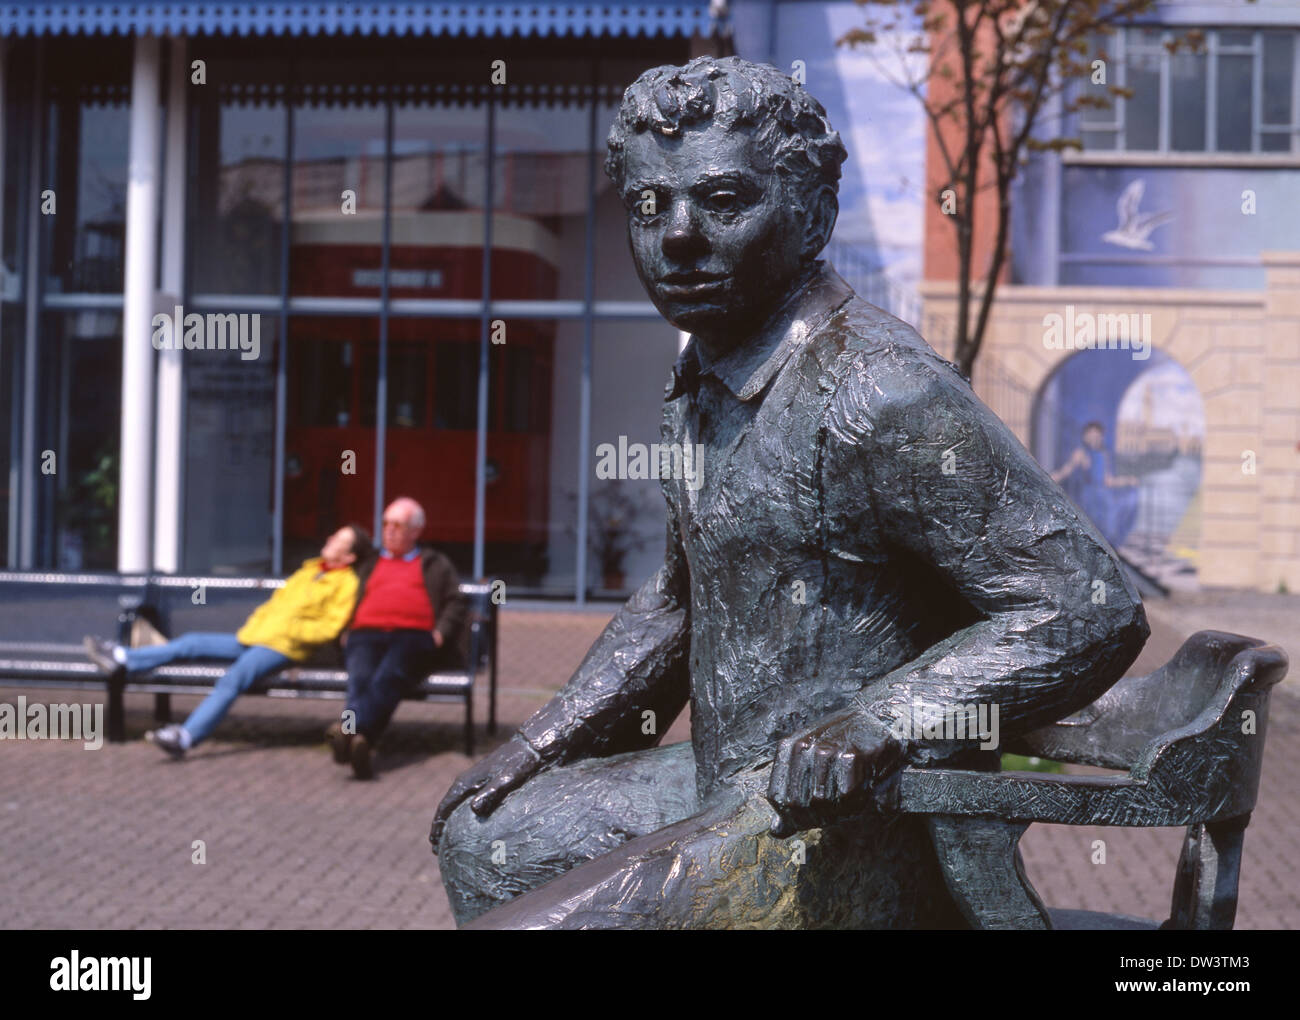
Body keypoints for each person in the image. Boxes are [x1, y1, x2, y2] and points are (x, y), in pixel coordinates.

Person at [431, 56, 1149, 929]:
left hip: (856, 822)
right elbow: (679, 600)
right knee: (482, 832)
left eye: (725, 202)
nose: (679, 236)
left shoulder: (881, 393)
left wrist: (878, 722)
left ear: (813, 214)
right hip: (726, 787)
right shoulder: (703, 380)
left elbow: (1089, 604)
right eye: (650, 206)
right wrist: (540, 745)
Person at [84, 525, 372, 758]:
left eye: (339, 540)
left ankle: (185, 737)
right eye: (334, 535)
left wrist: (290, 633)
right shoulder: (310, 571)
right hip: (254, 637)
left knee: (231, 680)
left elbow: (330, 628)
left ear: (348, 558)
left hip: (282, 647)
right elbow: (277, 606)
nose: (330, 539)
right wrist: (260, 626)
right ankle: (125, 659)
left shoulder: (346, 584)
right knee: (192, 642)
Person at [328, 497, 465, 780]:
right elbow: (342, 592)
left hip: (413, 635)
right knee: (362, 677)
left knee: (389, 675)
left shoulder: (435, 563)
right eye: (386, 524)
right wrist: (345, 629)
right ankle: (361, 741)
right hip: (366, 632)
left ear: (416, 530)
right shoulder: (370, 562)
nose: (389, 530)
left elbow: (456, 601)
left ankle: (350, 729)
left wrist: (441, 633)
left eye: (398, 525)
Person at [1051, 421, 1141, 549]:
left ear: (1101, 436)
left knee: (1108, 532)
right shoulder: (1081, 452)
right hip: (1089, 498)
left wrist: (1128, 480)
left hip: (1104, 498)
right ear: (1085, 436)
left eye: (1097, 434)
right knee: (1092, 531)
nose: (1094, 437)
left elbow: (1108, 481)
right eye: (1090, 434)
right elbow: (1066, 471)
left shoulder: (1104, 454)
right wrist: (1049, 477)